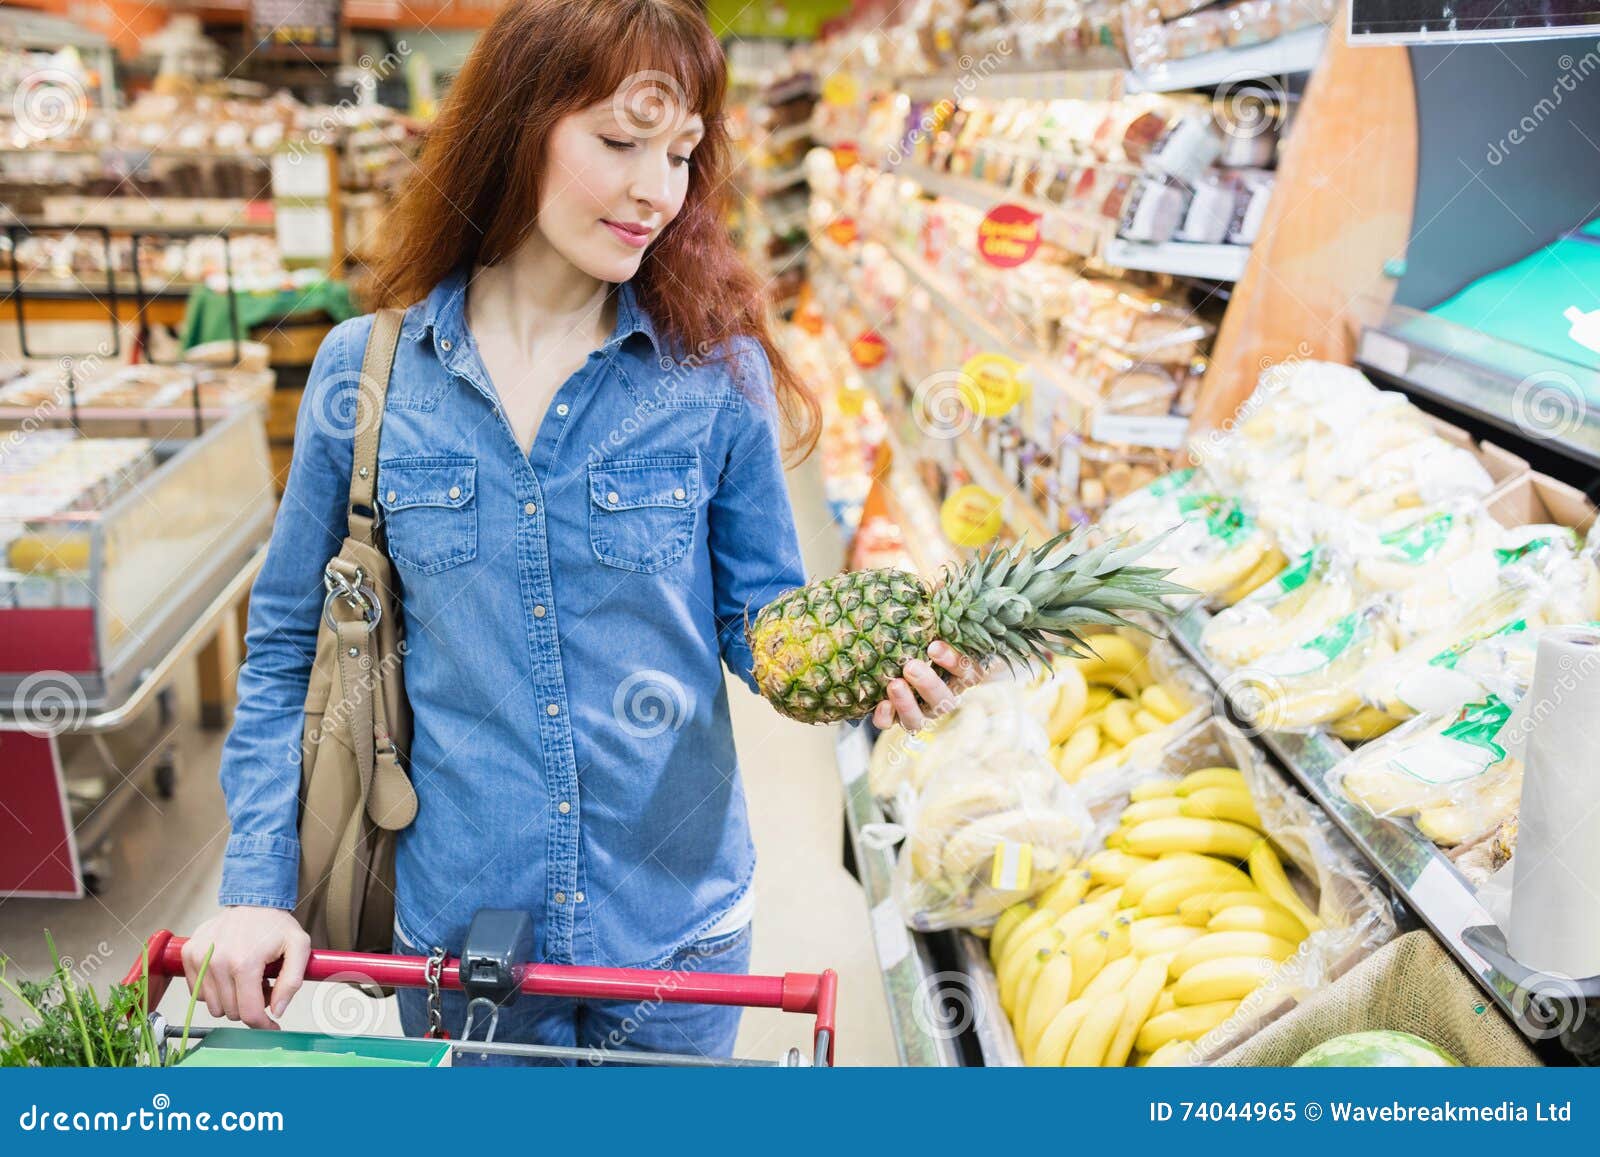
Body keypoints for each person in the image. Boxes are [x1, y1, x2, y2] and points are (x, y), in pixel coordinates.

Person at [184, 0, 977, 1063]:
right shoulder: (367, 376)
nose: (658, 189)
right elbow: (286, 642)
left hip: (676, 938)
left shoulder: (714, 373)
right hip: (463, 943)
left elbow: (760, 621)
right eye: (618, 141)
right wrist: (253, 890)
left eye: (683, 151)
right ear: (518, 126)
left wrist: (869, 663)